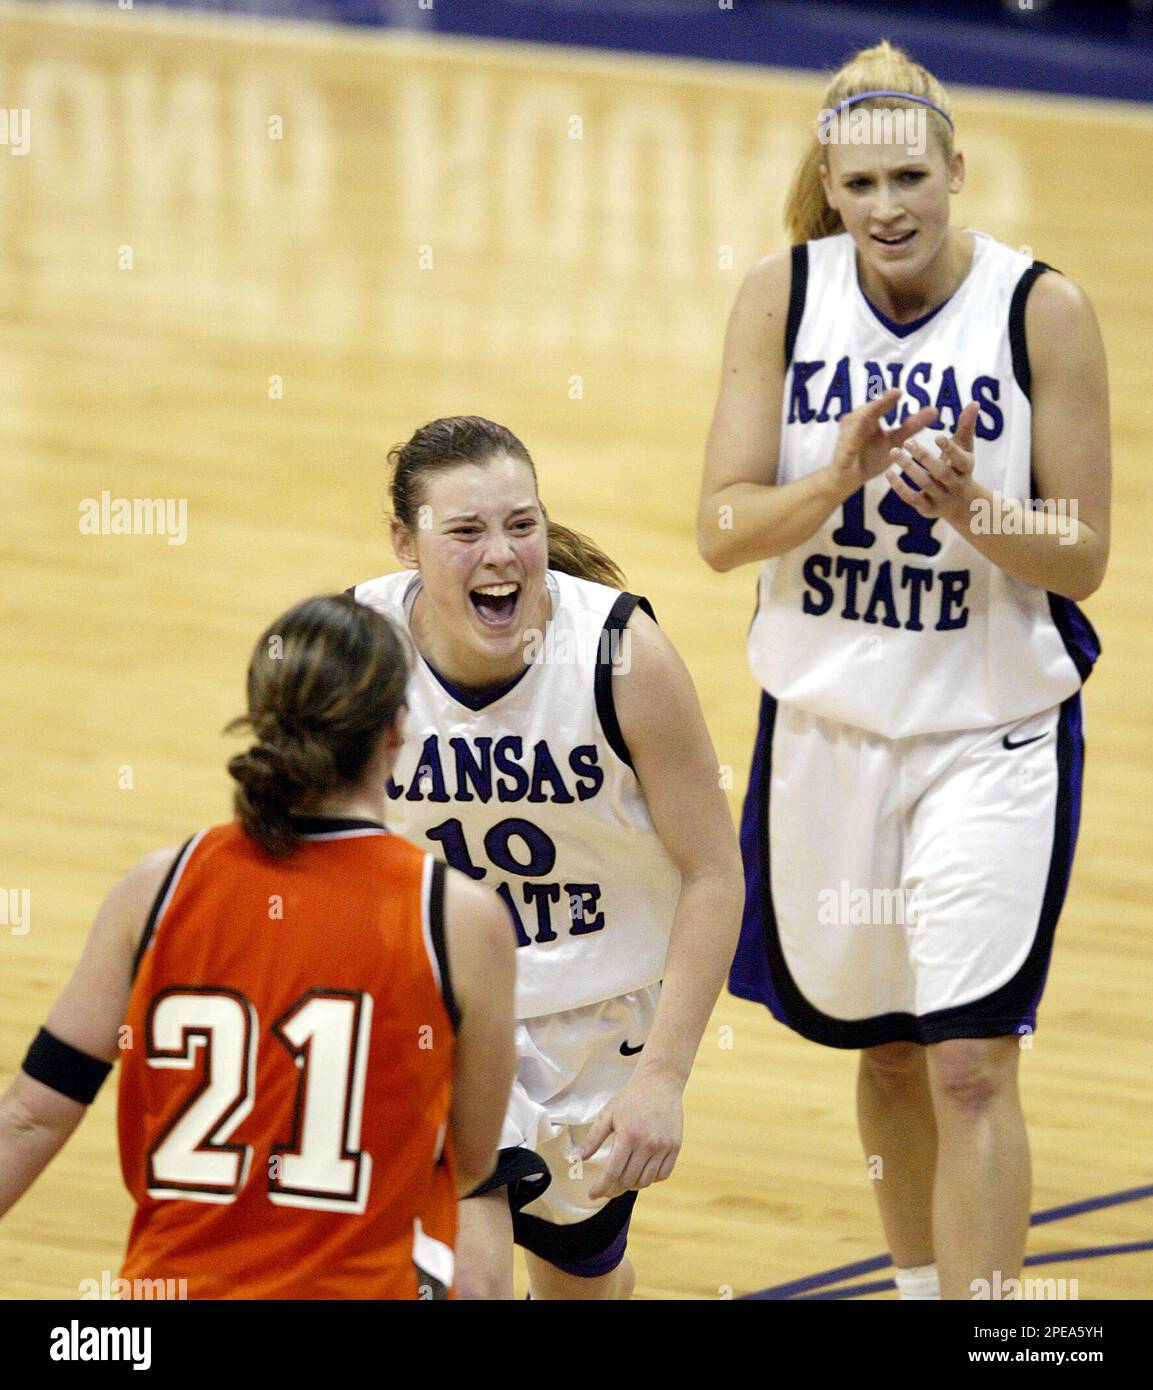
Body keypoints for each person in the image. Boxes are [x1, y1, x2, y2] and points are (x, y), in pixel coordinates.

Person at [697, 41, 1109, 1301]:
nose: (888, 207)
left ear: (956, 171)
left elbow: (1082, 555)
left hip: (987, 735)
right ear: (830, 178)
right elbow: (719, 529)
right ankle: (927, 1292)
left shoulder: (1041, 307)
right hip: (825, 733)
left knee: (970, 1061)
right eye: (863, 181)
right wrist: (832, 479)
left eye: (911, 178)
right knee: (881, 1057)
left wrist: (976, 510)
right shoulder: (781, 291)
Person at [0, 593, 516, 1299]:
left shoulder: (157, 887)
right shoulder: (456, 917)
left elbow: (30, 1114)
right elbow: (473, 1156)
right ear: (396, 728)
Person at [351, 415, 744, 1300]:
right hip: (433, 1012)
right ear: (404, 545)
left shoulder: (621, 656)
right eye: (465, 532)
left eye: (520, 525)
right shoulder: (357, 648)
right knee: (456, 1277)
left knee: (577, 1277)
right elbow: (314, 858)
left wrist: (661, 1082)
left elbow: (715, 875)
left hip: (591, 1019)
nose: (501, 555)